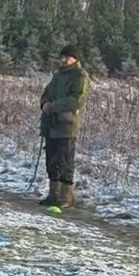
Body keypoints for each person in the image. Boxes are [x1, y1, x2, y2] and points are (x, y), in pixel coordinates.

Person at [38, 44, 90, 208]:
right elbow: (46, 93)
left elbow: (76, 101)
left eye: (67, 57)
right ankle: (53, 195)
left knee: (65, 161)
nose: (63, 60)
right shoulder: (58, 75)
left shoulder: (80, 76)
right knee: (51, 160)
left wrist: (53, 106)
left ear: (75, 59)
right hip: (51, 124)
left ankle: (66, 197)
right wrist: (44, 104)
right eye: (62, 57)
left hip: (66, 125)